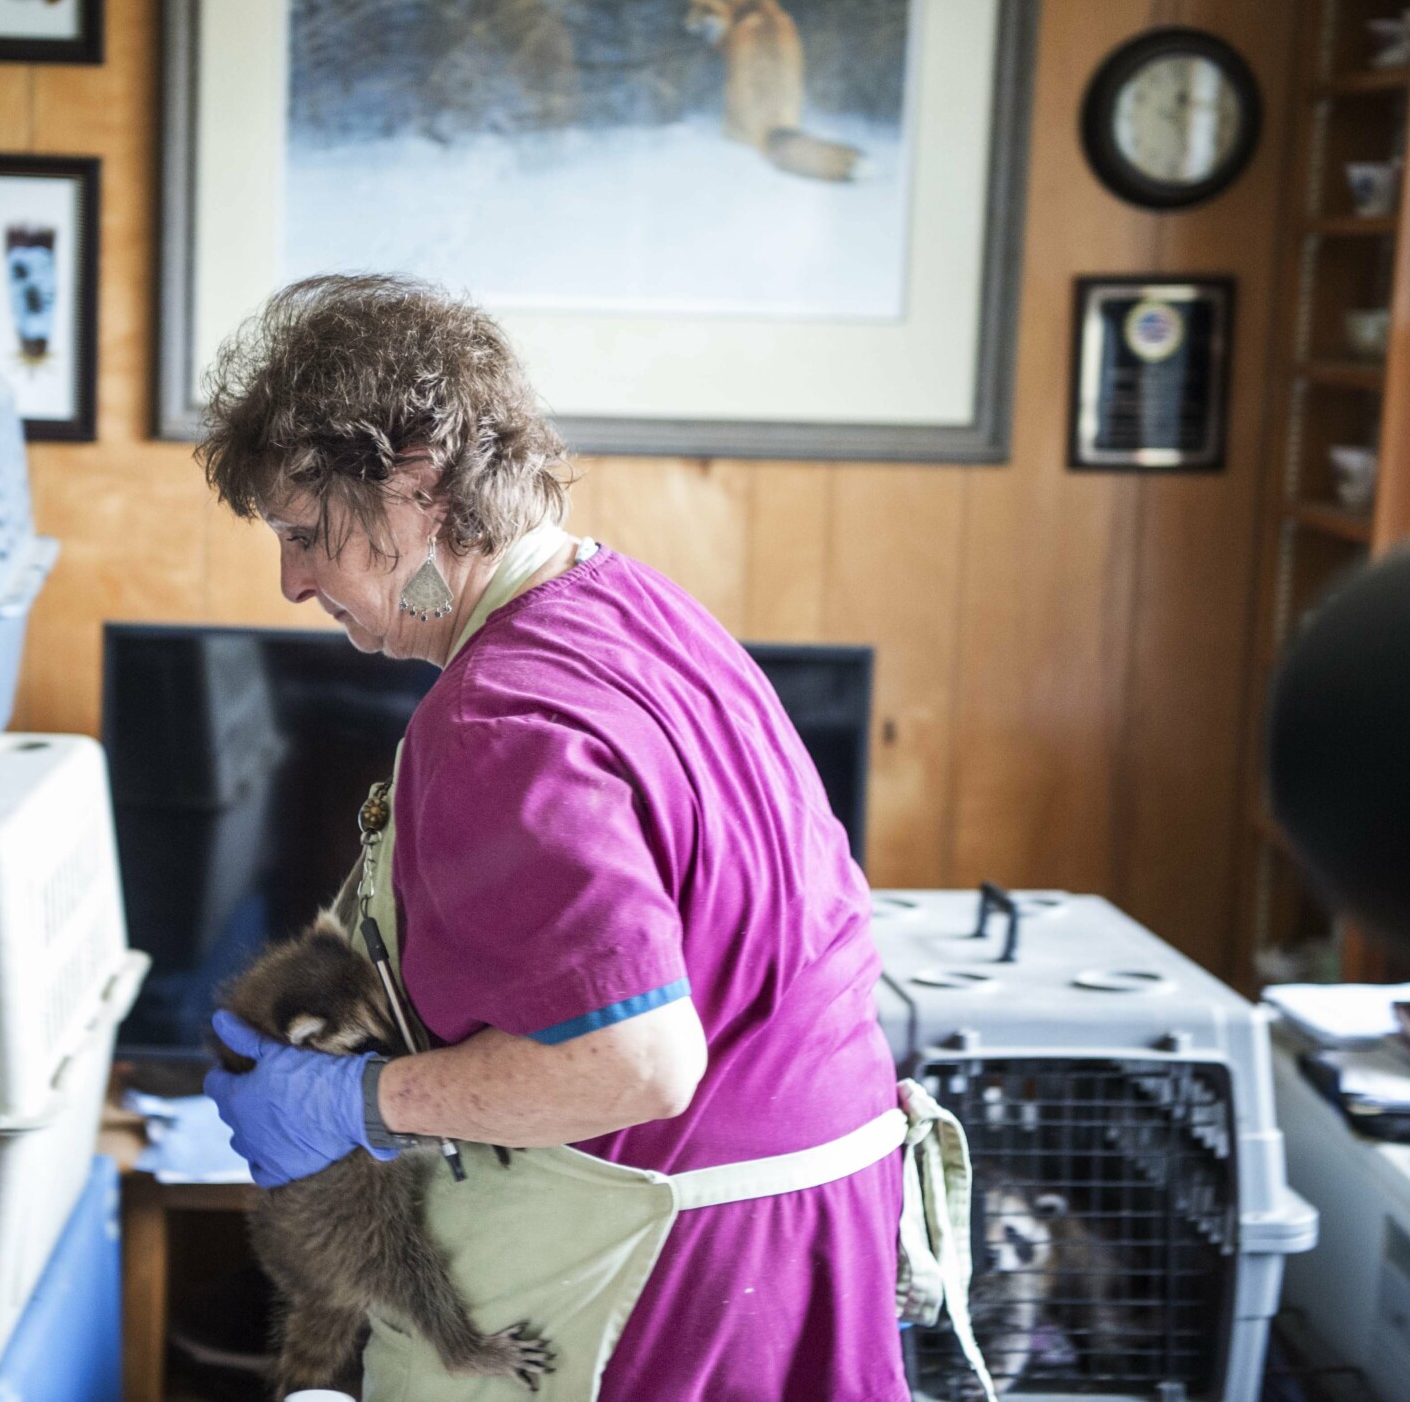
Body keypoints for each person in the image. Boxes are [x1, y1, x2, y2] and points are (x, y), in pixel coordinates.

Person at [196, 274, 909, 1402]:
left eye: (301, 533)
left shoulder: (496, 717)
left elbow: (636, 1061)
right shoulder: (638, 607)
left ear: (414, 489)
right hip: (812, 1236)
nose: (291, 582)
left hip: (676, 1283)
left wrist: (359, 1107)